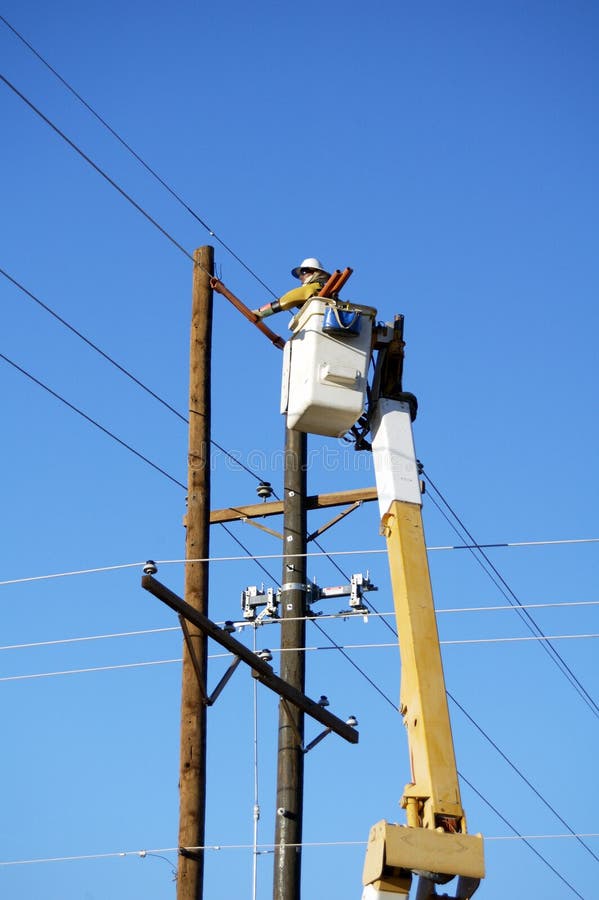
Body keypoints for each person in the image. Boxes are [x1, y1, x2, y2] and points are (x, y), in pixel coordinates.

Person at [251, 257, 331, 318]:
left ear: (315, 273)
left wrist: (260, 313)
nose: (301, 277)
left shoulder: (311, 288)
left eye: (303, 272)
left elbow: (286, 300)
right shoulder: (324, 291)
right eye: (300, 274)